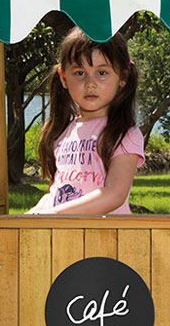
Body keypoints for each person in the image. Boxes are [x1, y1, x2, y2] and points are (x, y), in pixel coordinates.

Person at [27, 27, 144, 215]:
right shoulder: (61, 132)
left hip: (104, 240)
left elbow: (114, 194)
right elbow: (56, 191)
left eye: (102, 73)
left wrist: (55, 215)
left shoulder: (125, 134)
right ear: (63, 78)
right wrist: (32, 215)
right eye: (80, 73)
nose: (90, 83)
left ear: (122, 77)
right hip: (64, 237)